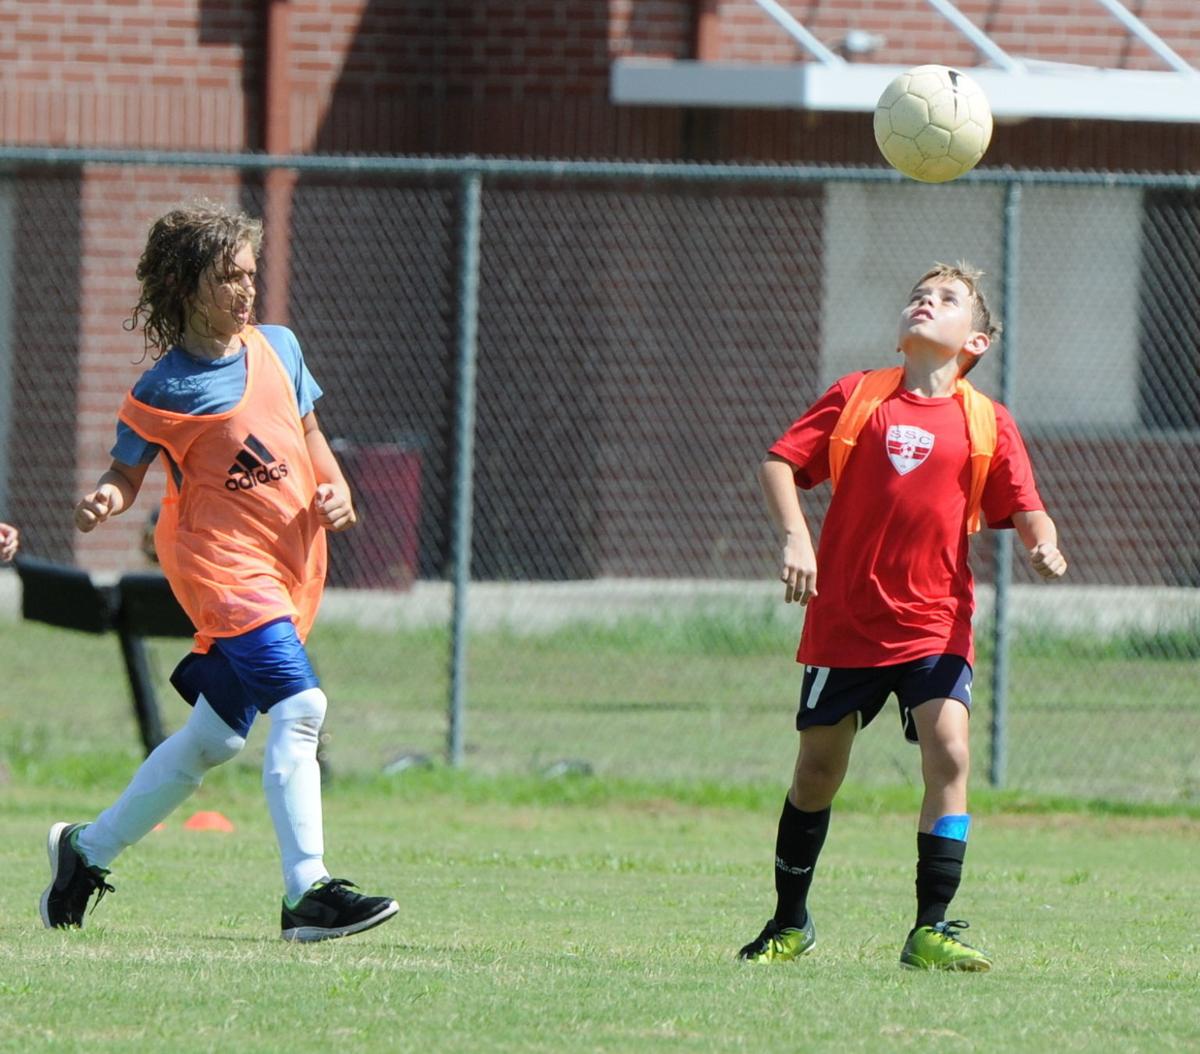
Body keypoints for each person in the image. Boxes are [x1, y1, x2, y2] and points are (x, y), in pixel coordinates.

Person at [41, 201, 398, 943]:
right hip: (223, 570)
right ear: (186, 287)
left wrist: (339, 492)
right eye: (229, 278)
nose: (246, 290)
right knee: (301, 710)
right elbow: (126, 473)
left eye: (249, 273)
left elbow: (309, 434)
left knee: (214, 741)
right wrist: (105, 499)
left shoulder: (279, 347)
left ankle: (85, 851)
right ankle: (309, 894)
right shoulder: (162, 390)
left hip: (288, 558)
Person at [739, 262, 1067, 971]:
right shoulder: (858, 396)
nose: (926, 302)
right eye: (919, 295)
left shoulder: (986, 421)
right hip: (846, 623)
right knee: (817, 772)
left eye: (947, 299)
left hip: (934, 623)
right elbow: (779, 464)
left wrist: (1044, 543)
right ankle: (789, 922)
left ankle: (932, 928)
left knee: (949, 752)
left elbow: (1026, 502)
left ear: (973, 340)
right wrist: (797, 535)